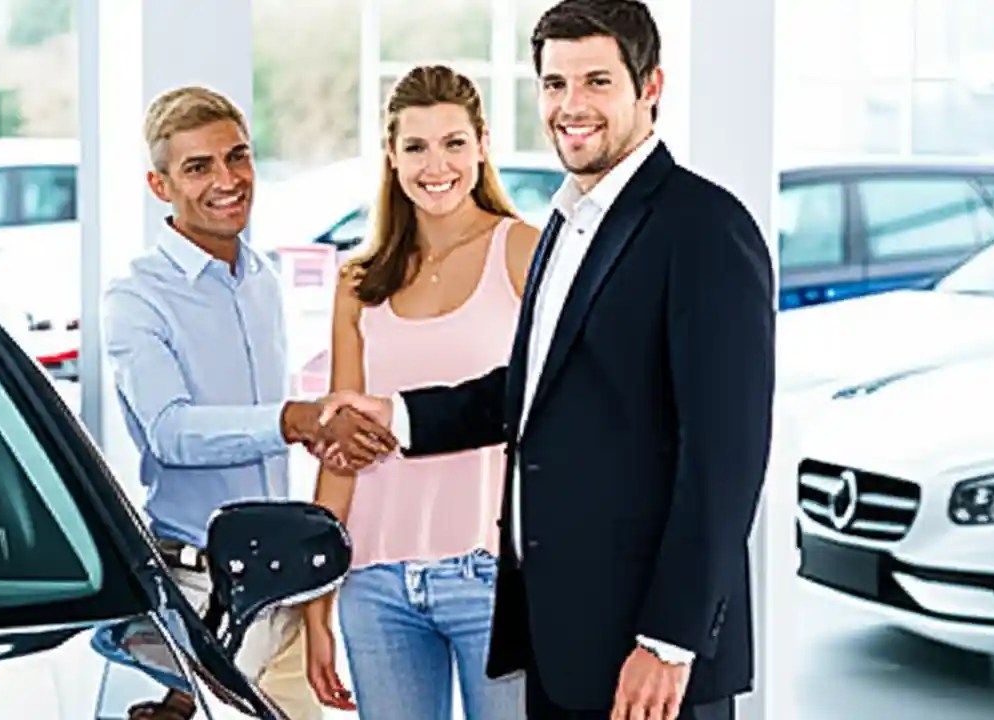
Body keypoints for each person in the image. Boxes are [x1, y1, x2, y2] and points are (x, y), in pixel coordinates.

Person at [318, 1, 776, 718]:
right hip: (560, 640)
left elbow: (726, 457)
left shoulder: (703, 227)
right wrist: (401, 414)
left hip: (643, 651)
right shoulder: (569, 221)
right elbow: (536, 391)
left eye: (597, 81)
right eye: (555, 85)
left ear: (649, 87)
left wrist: (670, 640)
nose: (571, 107)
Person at [103, 85, 395, 720]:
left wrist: (314, 428)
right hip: (203, 593)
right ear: (161, 186)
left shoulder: (260, 279)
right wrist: (293, 420)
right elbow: (169, 433)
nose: (227, 180)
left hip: (280, 584)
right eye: (198, 167)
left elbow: (258, 421)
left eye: (237, 157)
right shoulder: (136, 299)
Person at [302, 65, 540, 720]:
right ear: (391, 155)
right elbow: (339, 448)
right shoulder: (359, 280)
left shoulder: (523, 252)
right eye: (416, 146)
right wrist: (316, 603)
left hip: (492, 579)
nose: (437, 165)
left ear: (482, 144)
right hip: (376, 585)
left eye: (454, 143)